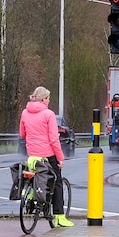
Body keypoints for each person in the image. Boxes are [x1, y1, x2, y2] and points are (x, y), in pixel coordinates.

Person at [19, 86, 73, 227]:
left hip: (32, 154)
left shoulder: (25, 112)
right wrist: (60, 158)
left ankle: (30, 195)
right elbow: (54, 139)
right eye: (48, 98)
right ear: (43, 99)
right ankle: (60, 216)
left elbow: (22, 134)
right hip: (47, 154)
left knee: (35, 175)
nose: (49, 101)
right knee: (57, 181)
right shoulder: (49, 114)